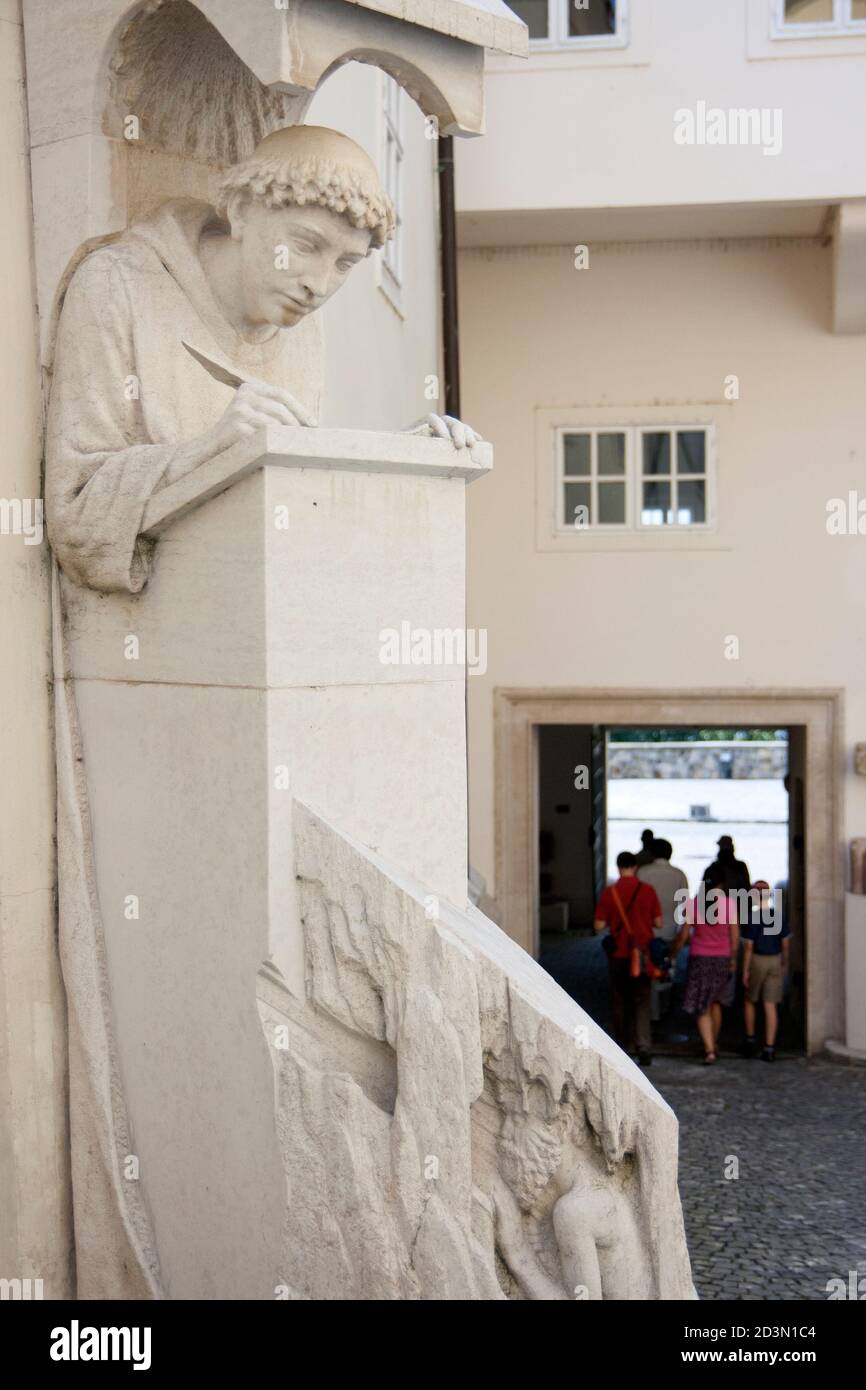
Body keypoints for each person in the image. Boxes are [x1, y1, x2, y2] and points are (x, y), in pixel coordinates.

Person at [594, 852, 663, 1067]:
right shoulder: (648, 891)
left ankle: (622, 1045)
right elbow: (659, 923)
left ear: (618, 867)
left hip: (619, 955)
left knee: (619, 998)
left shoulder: (610, 892)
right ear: (635, 867)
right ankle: (643, 1047)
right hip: (642, 955)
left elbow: (598, 925)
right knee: (642, 1000)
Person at [676, 863, 739, 1065]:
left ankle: (709, 1049)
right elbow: (735, 935)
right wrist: (734, 958)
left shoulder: (694, 904)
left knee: (701, 1005)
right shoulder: (729, 904)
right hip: (722, 957)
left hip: (700, 957)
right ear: (723, 883)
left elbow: (685, 935)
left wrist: (673, 951)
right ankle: (713, 1043)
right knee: (715, 1002)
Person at [741, 880, 790, 1061]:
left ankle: (750, 1039)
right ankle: (769, 1047)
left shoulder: (752, 917)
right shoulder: (778, 915)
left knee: (750, 1000)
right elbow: (785, 943)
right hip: (775, 959)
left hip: (757, 959)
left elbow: (748, 947)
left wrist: (745, 970)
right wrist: (785, 963)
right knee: (770, 1004)